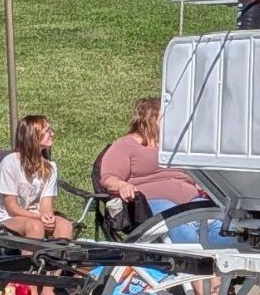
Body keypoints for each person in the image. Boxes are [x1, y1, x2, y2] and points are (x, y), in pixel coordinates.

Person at [97, 97, 227, 245]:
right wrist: (122, 186)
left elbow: (195, 175)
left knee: (225, 234)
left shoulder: (176, 145)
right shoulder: (126, 145)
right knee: (185, 236)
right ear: (149, 118)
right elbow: (108, 178)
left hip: (193, 201)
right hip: (154, 202)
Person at [0, 114, 73, 239]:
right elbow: (12, 208)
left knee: (65, 225)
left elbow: (46, 204)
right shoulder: (9, 163)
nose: (52, 133)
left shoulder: (50, 167)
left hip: (36, 215)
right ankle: (30, 259)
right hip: (8, 218)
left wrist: (48, 217)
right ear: (33, 136)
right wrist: (39, 217)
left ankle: (58, 258)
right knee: (35, 226)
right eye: (47, 131)